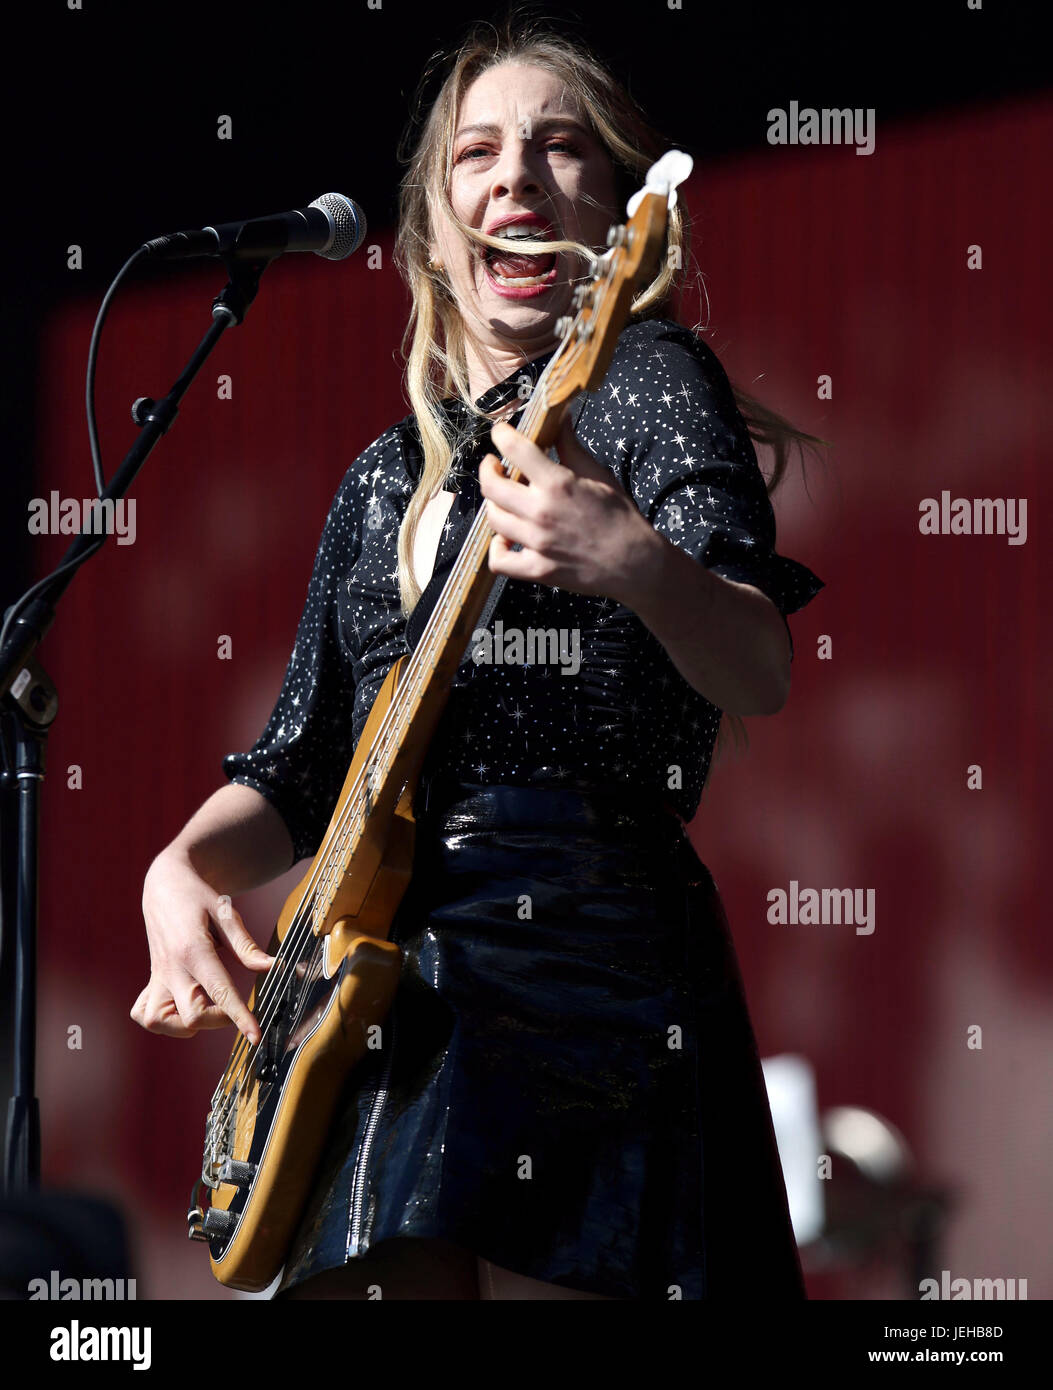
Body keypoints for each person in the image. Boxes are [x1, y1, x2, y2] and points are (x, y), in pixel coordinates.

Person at [132, 16, 825, 1301]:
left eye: (561, 148)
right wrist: (178, 871)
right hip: (385, 979)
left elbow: (761, 668)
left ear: (615, 210)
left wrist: (635, 561)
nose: (515, 177)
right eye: (478, 155)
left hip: (586, 961)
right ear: (435, 227)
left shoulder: (647, 377)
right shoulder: (385, 476)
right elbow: (300, 762)